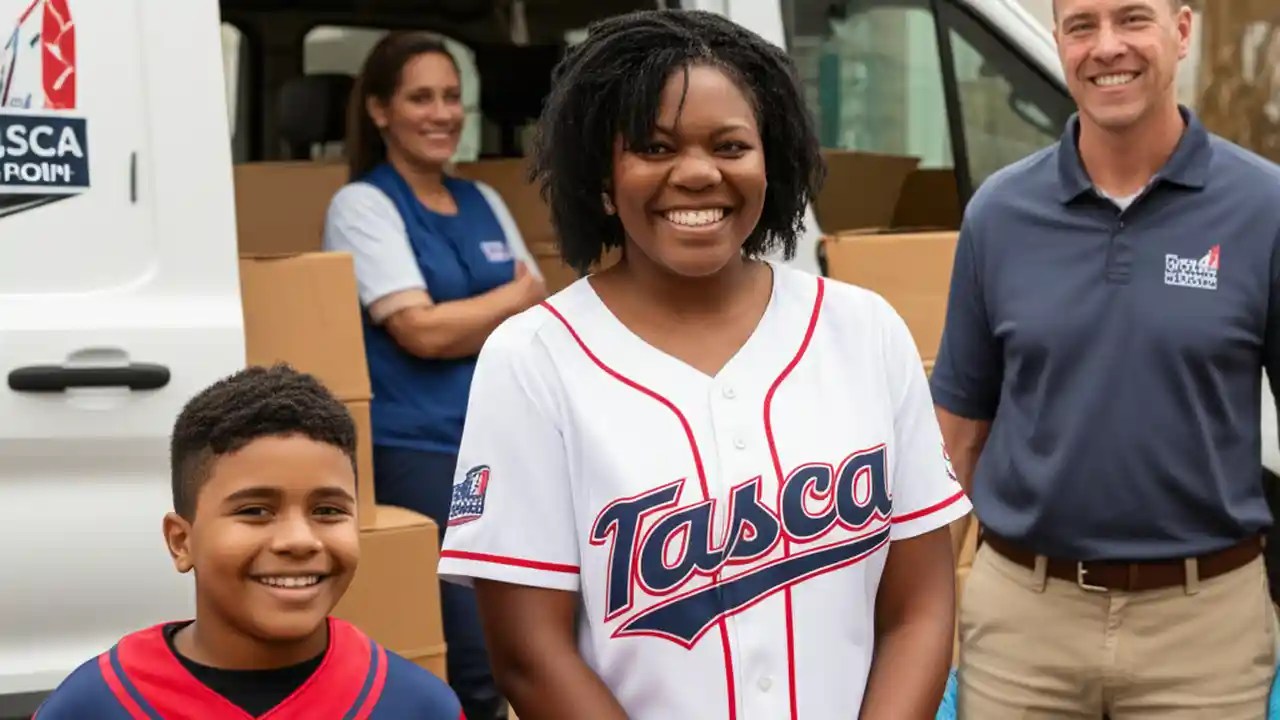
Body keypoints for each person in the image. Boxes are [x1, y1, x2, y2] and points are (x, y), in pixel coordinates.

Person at [436, 9, 971, 720]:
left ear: (770, 161)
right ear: (602, 173)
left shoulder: (862, 329)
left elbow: (920, 608)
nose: (696, 173)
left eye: (730, 145)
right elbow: (531, 658)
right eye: (653, 148)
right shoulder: (533, 358)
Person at [930, 0, 1280, 717]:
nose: (1106, 47)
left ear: (1182, 31)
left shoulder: (1264, 209)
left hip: (1206, 629)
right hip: (1023, 625)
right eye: (1081, 25)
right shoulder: (998, 215)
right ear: (1058, 40)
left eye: (1132, 20)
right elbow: (957, 436)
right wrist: (923, 623)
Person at [31, 364, 464, 719]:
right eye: (255, 511)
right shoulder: (95, 705)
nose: (299, 540)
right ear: (181, 542)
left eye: (328, 511)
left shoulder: (417, 706)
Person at [322, 31, 545, 720]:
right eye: (422, 97)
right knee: (474, 642)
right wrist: (509, 299)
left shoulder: (482, 198)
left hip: (505, 439)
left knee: (541, 622)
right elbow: (419, 332)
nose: (443, 113)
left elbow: (533, 315)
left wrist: (480, 316)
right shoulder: (361, 206)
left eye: (452, 98)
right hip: (419, 446)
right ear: (382, 111)